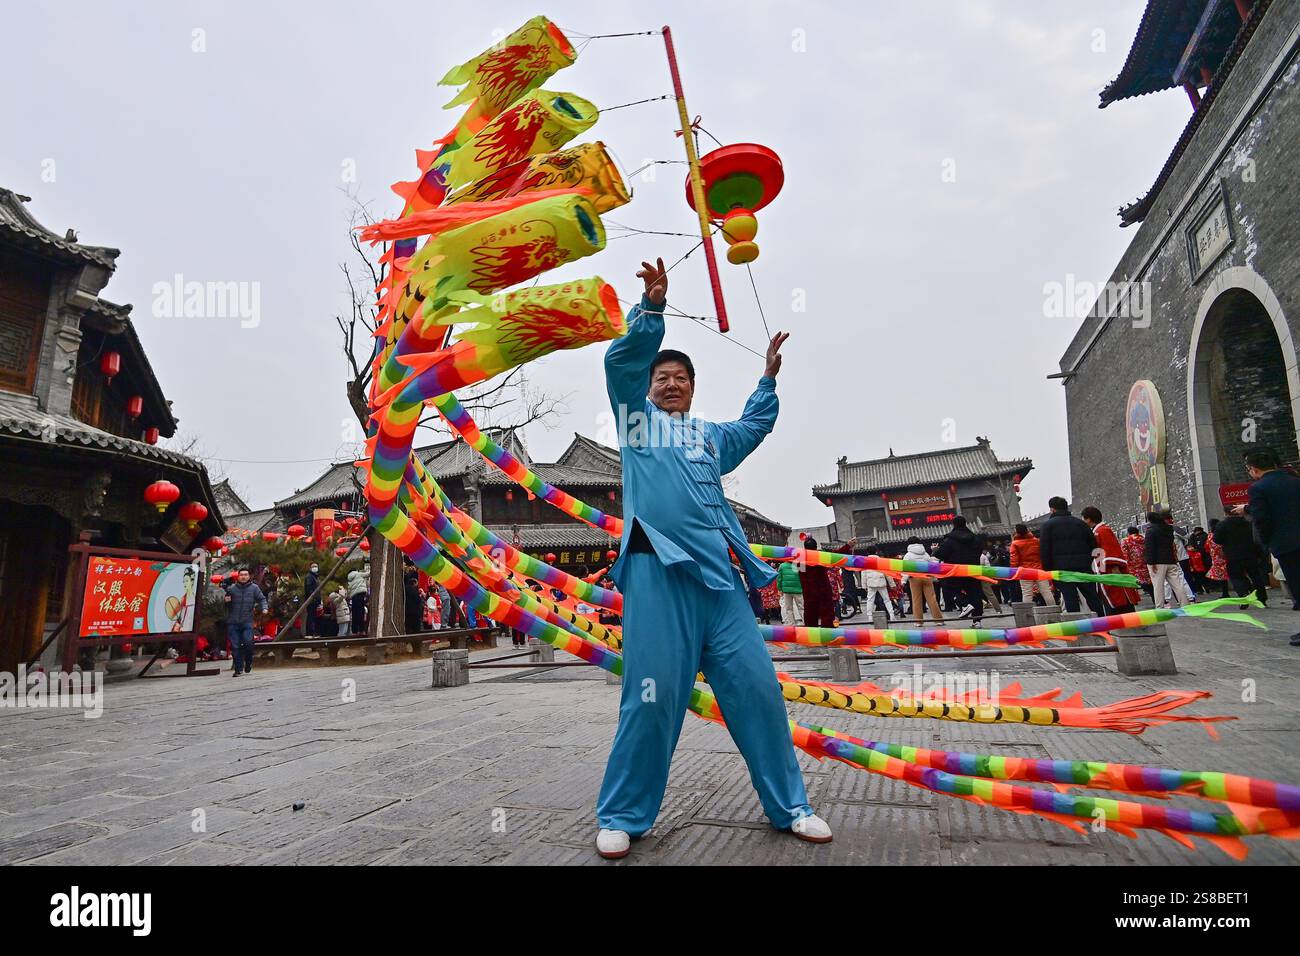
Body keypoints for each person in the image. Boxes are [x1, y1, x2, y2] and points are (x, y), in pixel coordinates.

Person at [594, 257, 828, 860]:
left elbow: (753, 426)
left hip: (721, 586)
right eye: (662, 376)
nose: (670, 383)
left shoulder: (709, 438)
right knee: (651, 697)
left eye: (681, 378)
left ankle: (791, 805)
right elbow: (618, 362)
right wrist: (651, 311)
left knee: (758, 691)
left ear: (693, 389)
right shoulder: (636, 424)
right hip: (656, 576)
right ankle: (623, 813)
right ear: (648, 387)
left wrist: (768, 378)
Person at [1242, 449, 1300, 618]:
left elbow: (1262, 519)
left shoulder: (1257, 488)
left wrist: (1266, 542)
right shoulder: (1295, 481)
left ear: (1253, 468)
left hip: (1285, 545)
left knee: (1296, 584)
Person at [1038, 496, 1103, 615]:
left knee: (1070, 598)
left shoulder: (1047, 526)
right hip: (1083, 567)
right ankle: (1103, 624)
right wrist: (1087, 561)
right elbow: (1093, 546)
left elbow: (1044, 550)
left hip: (1061, 569)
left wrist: (1048, 570)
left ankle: (1076, 627)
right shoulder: (1081, 524)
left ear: (1052, 509)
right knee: (1092, 597)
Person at [1080, 506, 1140, 614]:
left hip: (1111, 571)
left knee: (1120, 600)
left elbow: (1112, 551)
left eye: (1084, 519)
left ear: (1089, 519)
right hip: (1103, 572)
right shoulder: (1097, 531)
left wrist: (1114, 568)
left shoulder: (1103, 531)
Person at [934, 516, 985, 624]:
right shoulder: (975, 538)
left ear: (953, 524)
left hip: (955, 570)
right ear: (965, 523)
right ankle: (977, 621)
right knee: (975, 593)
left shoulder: (949, 540)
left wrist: (935, 550)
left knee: (948, 586)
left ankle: (964, 604)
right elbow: (980, 551)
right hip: (973, 569)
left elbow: (940, 554)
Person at [1214, 506, 1268, 605]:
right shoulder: (1247, 523)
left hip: (1232, 555)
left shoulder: (1222, 525)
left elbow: (1216, 539)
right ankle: (1262, 598)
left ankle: (1243, 594)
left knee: (1236, 576)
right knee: (1255, 575)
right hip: (1250, 553)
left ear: (1225, 513)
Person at [224, 566, 268, 677]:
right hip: (233, 621)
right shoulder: (232, 589)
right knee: (235, 646)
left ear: (249, 576)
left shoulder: (254, 588)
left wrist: (264, 608)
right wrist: (226, 601)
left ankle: (248, 662)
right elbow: (226, 606)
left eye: (245, 575)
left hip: (247, 621)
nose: (243, 577)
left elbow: (262, 599)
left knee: (249, 643)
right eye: (241, 575)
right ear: (238, 577)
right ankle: (238, 669)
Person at [1144, 510, 1190, 607]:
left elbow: (1150, 548)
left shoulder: (1150, 531)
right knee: (1177, 584)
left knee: (1158, 586)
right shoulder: (1169, 529)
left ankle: (1160, 606)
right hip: (1171, 560)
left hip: (1157, 562)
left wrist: (1151, 563)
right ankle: (1185, 603)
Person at [902, 537, 944, 626]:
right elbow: (931, 565)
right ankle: (939, 620)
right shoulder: (925, 554)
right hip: (927, 577)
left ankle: (918, 622)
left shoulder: (908, 555)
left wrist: (903, 581)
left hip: (914, 578)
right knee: (932, 599)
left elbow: (905, 569)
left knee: (916, 600)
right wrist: (934, 577)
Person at [1009, 524, 1054, 606]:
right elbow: (1042, 554)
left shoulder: (1015, 544)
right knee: (1046, 591)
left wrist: (1014, 571)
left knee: (1027, 594)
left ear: (1017, 532)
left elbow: (1014, 560)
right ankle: (1054, 610)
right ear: (1027, 530)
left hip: (1024, 571)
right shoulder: (1036, 541)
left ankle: (1027, 614)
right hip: (1039, 569)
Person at [798, 537, 837, 628]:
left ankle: (811, 635)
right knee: (826, 613)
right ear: (816, 547)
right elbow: (837, 556)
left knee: (810, 614)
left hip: (808, 590)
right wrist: (847, 546)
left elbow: (799, 573)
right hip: (823, 589)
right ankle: (827, 633)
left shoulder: (800, 559)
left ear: (805, 547)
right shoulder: (821, 556)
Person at [860, 546, 894, 621]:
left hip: (870, 582)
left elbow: (863, 574)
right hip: (881, 581)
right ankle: (892, 616)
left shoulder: (865, 561)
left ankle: (870, 617)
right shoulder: (881, 560)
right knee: (887, 600)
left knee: (870, 600)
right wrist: (892, 584)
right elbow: (887, 573)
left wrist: (864, 585)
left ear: (867, 552)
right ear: (876, 552)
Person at [1120, 526, 1152, 602]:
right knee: (1149, 582)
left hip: (1133, 565)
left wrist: (1126, 564)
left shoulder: (1126, 541)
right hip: (1145, 564)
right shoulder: (1143, 539)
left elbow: (1125, 554)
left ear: (1128, 532)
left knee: (1136, 582)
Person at [1205, 520, 1230, 599]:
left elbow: (1206, 547)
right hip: (1225, 555)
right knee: (1231, 573)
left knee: (1222, 576)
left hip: (1216, 557)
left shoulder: (1210, 536)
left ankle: (1225, 592)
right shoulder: (1223, 534)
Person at [776, 556, 803, 625]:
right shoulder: (800, 564)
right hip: (798, 590)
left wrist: (779, 589)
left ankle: (791, 624)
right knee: (801, 607)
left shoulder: (782, 566)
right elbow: (804, 577)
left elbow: (779, 579)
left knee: (789, 608)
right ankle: (805, 622)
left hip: (786, 590)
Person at [347, 559, 369, 635]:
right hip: (360, 594)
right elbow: (368, 574)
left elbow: (349, 590)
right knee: (361, 612)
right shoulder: (358, 574)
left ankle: (354, 631)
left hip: (354, 596)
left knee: (355, 613)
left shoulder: (349, 579)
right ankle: (362, 630)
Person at [303, 562, 321, 636]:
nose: (315, 568)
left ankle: (313, 631)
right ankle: (311, 632)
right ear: (310, 568)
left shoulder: (316, 577)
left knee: (314, 616)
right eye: (313, 566)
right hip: (311, 600)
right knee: (311, 616)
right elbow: (309, 588)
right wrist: (313, 598)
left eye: (316, 566)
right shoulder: (309, 577)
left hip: (315, 600)